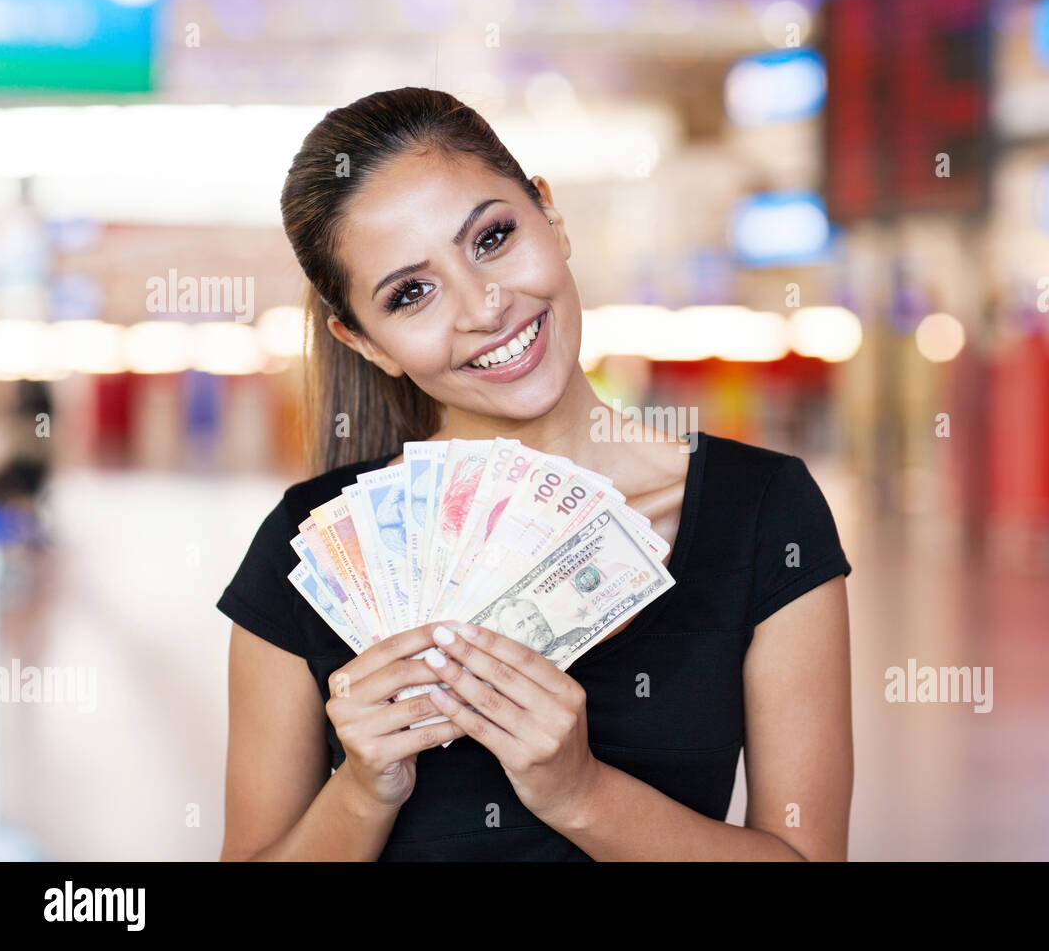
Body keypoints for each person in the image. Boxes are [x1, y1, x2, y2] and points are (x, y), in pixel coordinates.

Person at [215, 87, 853, 861]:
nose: (484, 307)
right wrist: (361, 790)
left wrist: (579, 793)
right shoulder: (308, 551)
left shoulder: (763, 512)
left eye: (492, 238)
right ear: (365, 341)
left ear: (550, 215)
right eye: (411, 294)